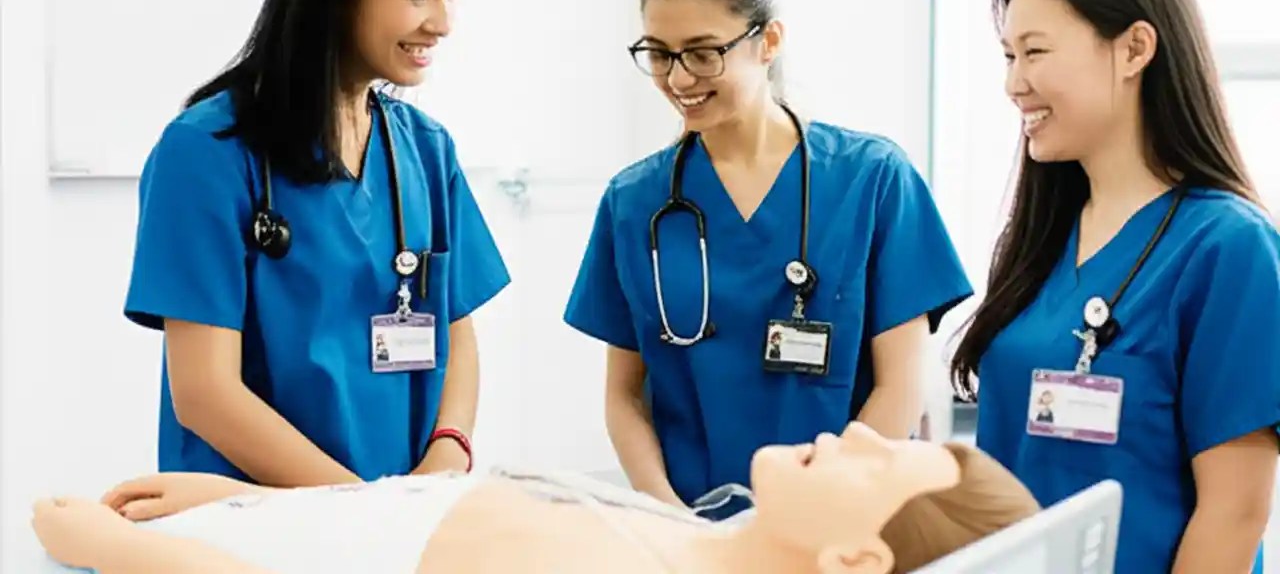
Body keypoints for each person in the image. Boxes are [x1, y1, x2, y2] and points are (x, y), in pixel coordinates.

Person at [121, 0, 510, 488]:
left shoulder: (425, 150)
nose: (441, 23)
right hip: (256, 517)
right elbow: (205, 393)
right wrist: (356, 510)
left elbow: (457, 332)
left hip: (401, 511)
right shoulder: (207, 153)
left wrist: (447, 453)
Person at [563, 0, 972, 511]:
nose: (678, 79)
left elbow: (900, 386)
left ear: (768, 41)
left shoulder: (872, 179)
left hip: (840, 518)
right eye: (658, 53)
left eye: (703, 52)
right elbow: (624, 397)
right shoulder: (634, 202)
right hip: (691, 526)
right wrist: (667, 514)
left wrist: (814, 513)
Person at [949, 0, 1280, 574]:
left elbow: (1235, 513)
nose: (1014, 83)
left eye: (1034, 51)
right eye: (1008, 56)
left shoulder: (1228, 249)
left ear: (1134, 49)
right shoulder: (1040, 240)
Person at [30, 423, 1041, 574]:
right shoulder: (695, 539)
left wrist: (110, 552)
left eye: (880, 462)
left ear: (856, 561)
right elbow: (421, 521)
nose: (856, 431)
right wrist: (247, 497)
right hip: (239, 525)